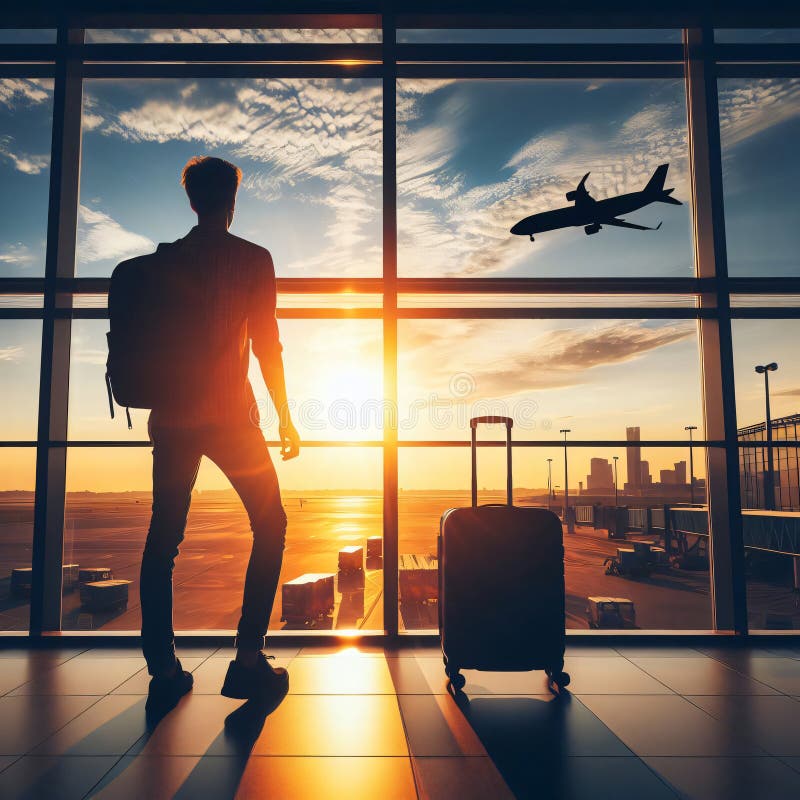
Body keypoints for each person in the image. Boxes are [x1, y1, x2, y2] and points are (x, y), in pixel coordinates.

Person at [137, 156, 300, 713]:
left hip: (174, 417)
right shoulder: (252, 260)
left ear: (190, 202)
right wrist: (284, 413)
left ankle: (163, 667)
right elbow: (266, 345)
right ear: (232, 202)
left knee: (164, 540)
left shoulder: (162, 264)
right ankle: (249, 660)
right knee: (271, 524)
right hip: (231, 416)